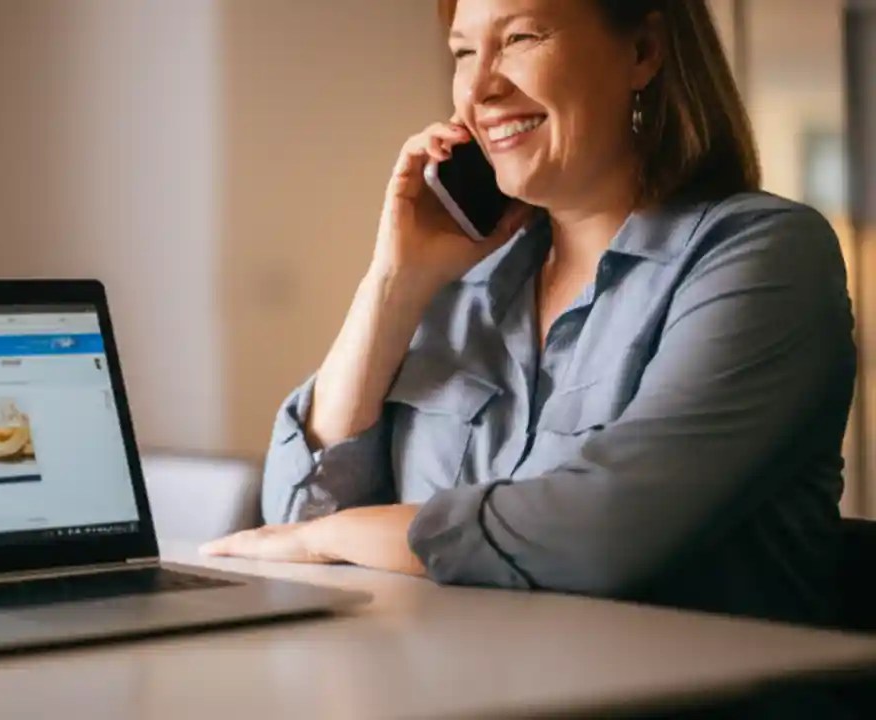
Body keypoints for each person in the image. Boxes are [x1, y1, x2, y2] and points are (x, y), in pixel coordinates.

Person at [202, 0, 855, 628]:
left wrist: (336, 537)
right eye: (462, 51)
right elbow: (292, 516)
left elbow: (600, 533)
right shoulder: (457, 290)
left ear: (643, 51)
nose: (479, 89)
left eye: (519, 38)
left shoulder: (762, 257)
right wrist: (393, 282)